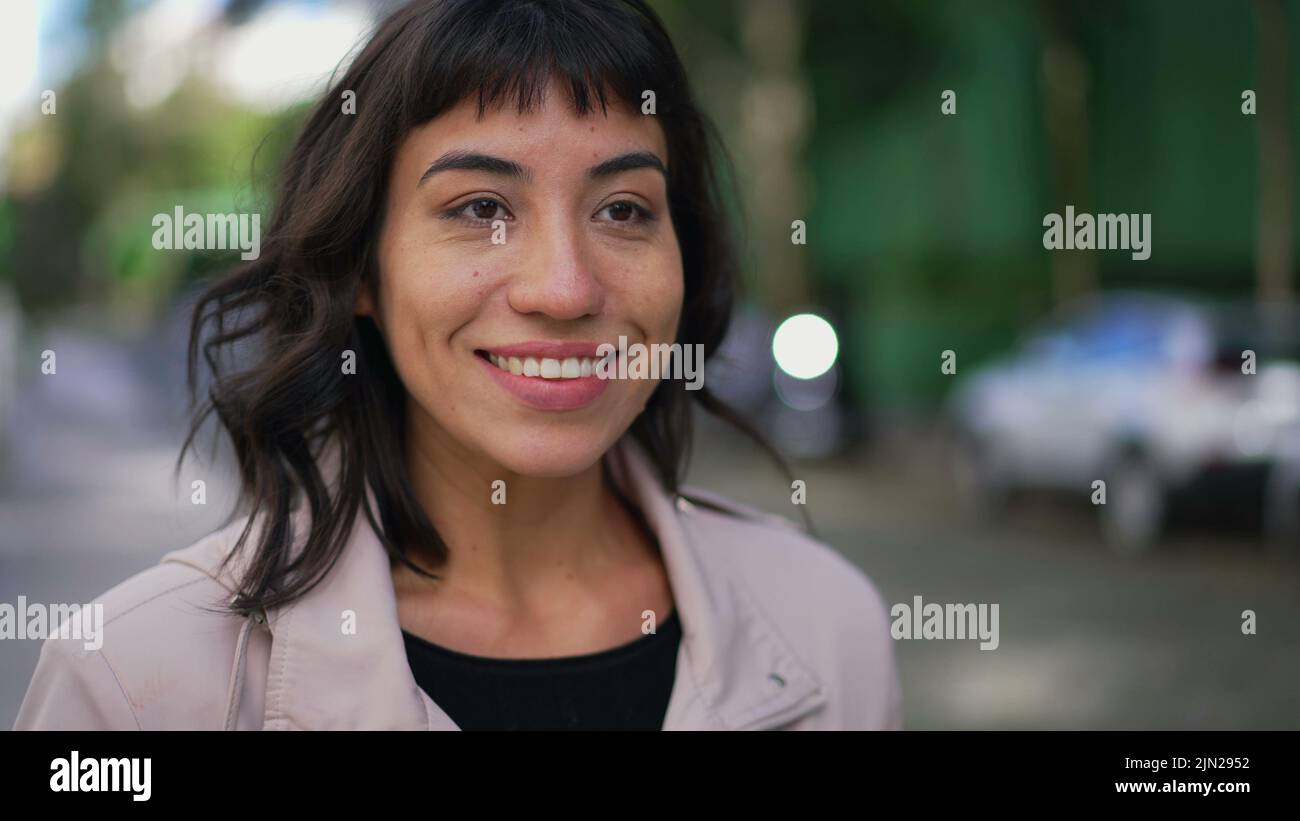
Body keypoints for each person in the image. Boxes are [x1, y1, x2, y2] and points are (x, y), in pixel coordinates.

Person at [15, 0, 900, 731]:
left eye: (625, 209)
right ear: (362, 268)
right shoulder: (133, 684)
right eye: (480, 206)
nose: (563, 287)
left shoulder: (828, 625)